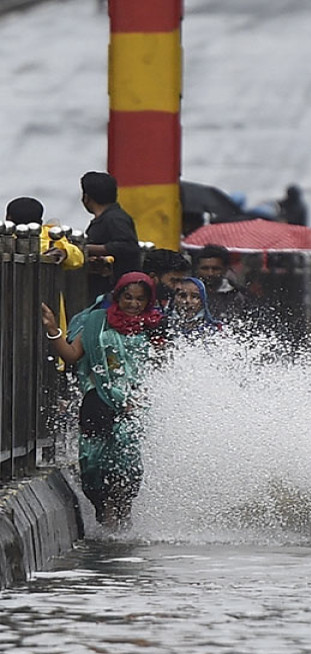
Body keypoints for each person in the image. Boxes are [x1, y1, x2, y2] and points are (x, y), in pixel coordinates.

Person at [40, 272, 166, 526]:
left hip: (133, 407)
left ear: (148, 301)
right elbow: (72, 355)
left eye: (140, 299)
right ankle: (104, 513)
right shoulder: (97, 322)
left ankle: (122, 521)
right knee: (93, 464)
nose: (133, 304)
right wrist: (53, 330)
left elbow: (162, 369)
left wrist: (141, 396)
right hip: (98, 403)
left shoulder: (154, 327)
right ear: (117, 297)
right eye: (128, 297)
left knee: (126, 465)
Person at [80, 171, 140, 302]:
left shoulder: (115, 218)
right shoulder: (106, 218)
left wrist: (88, 248)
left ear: (86, 198)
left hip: (115, 292)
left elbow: (128, 246)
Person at [5, 196, 85, 269]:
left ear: (8, 218)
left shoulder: (5, 238)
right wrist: (65, 253)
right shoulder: (51, 236)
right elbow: (78, 259)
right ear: (40, 221)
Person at [193, 244, 248, 322]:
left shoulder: (237, 296)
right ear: (197, 269)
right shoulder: (186, 293)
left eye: (215, 269)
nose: (210, 273)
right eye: (205, 268)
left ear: (225, 269)